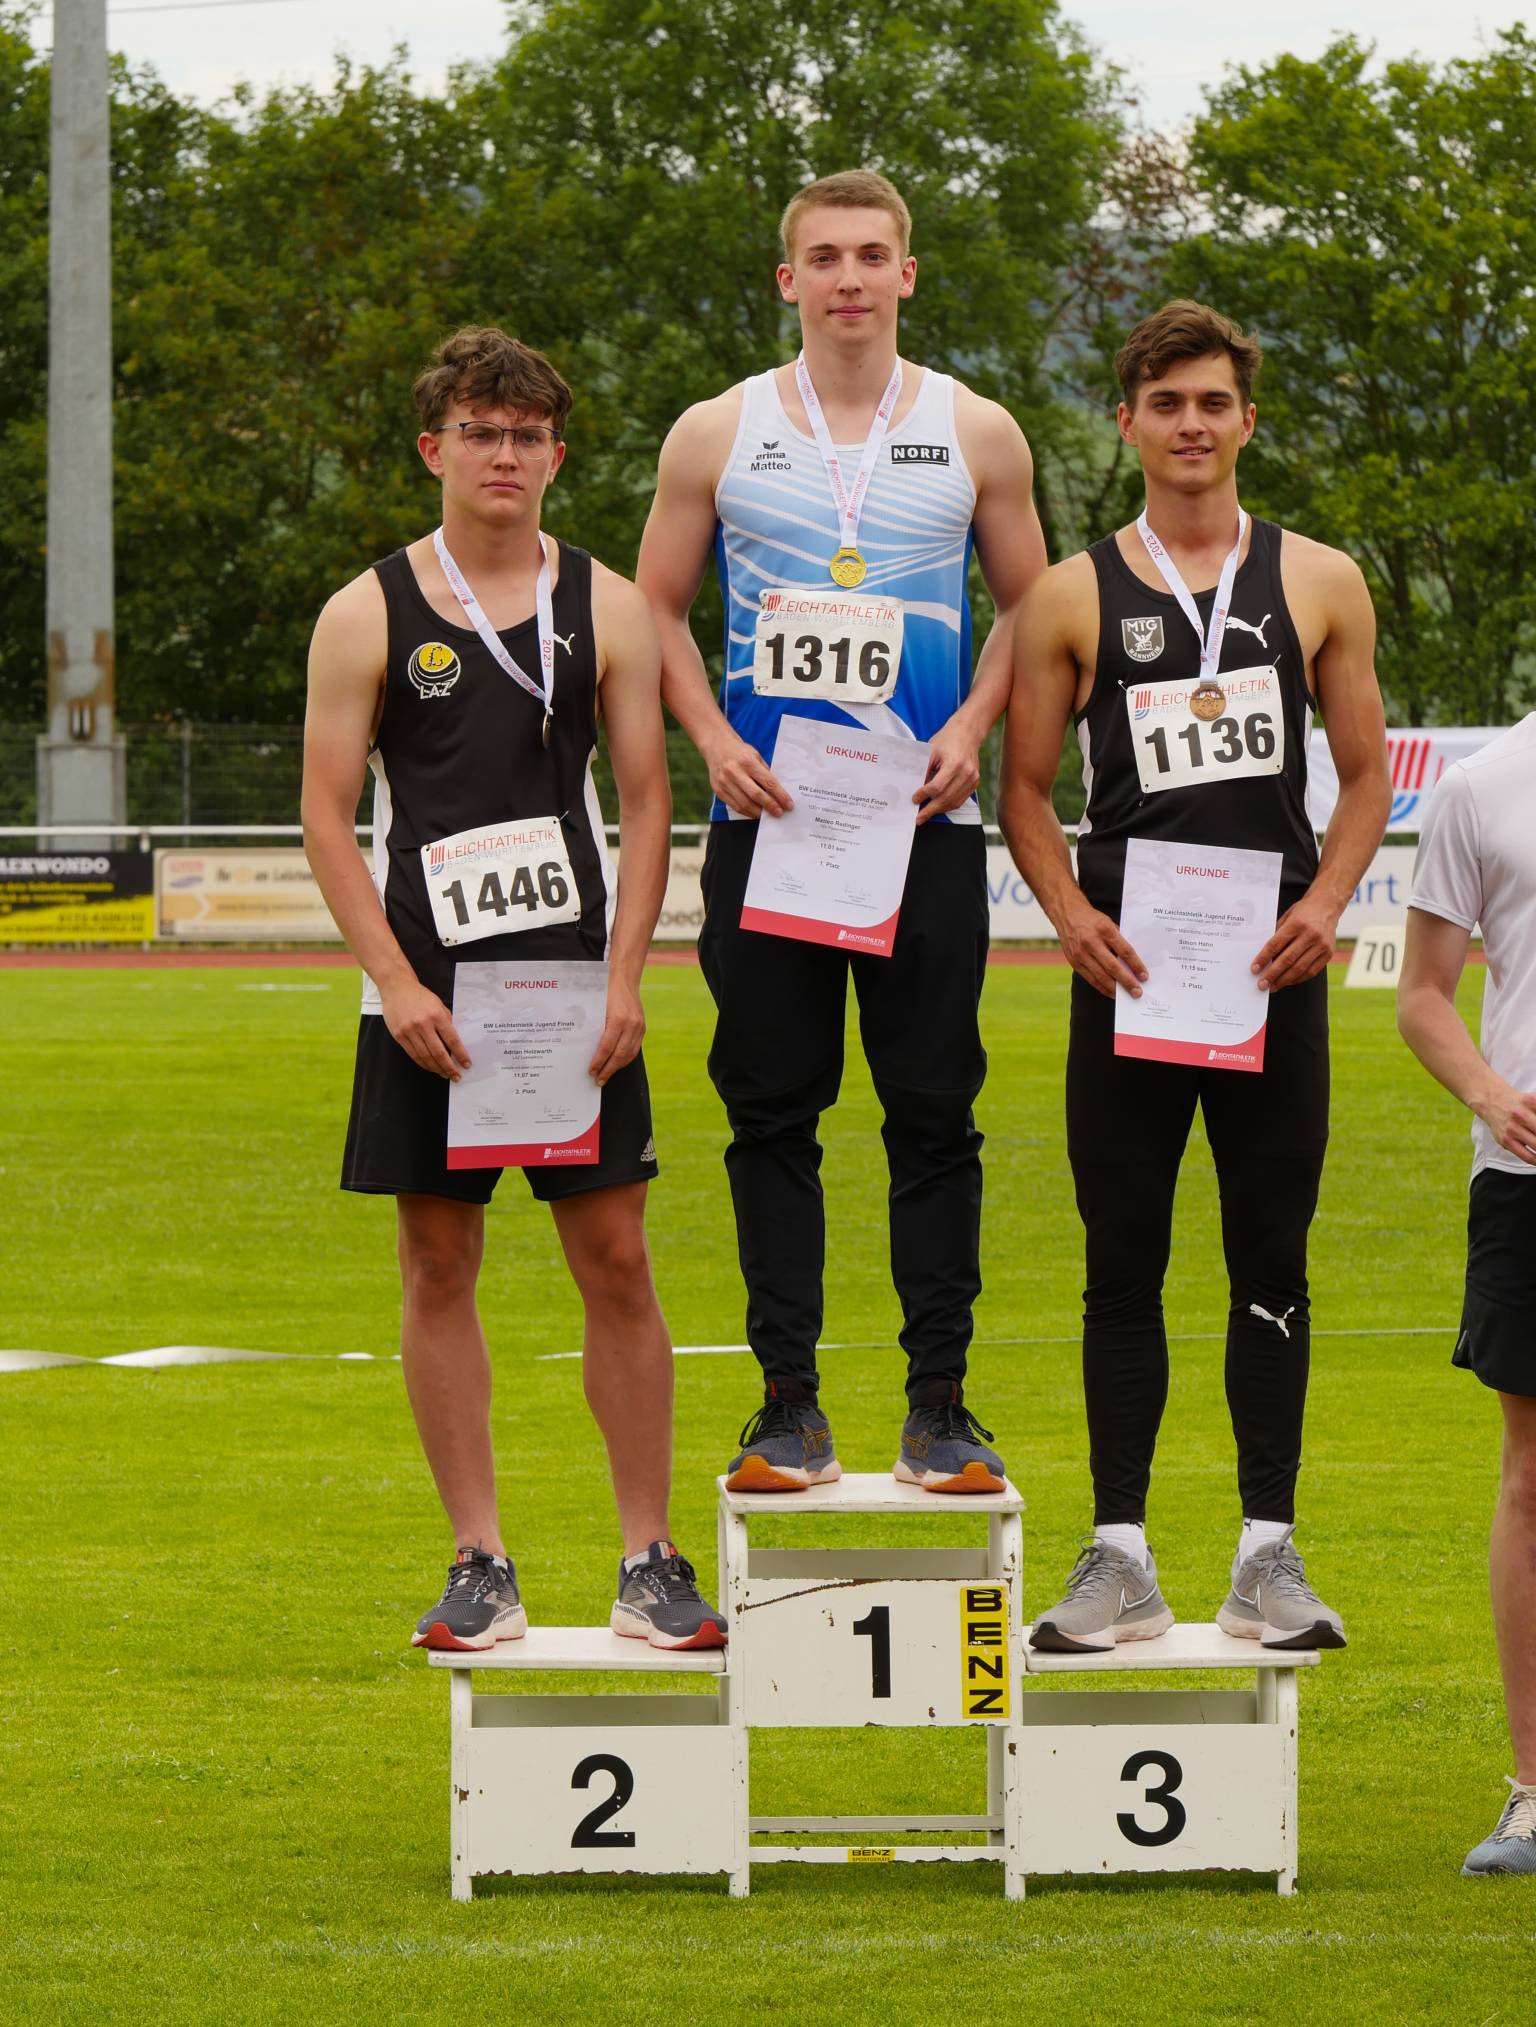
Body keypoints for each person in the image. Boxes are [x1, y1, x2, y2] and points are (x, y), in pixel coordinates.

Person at [302, 326, 725, 1653]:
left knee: (618, 1260)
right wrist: (393, 984)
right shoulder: (368, 610)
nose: (504, 454)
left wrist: (628, 975)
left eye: (526, 435)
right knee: (439, 1260)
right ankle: (479, 1560)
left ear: (556, 455)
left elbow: (648, 802)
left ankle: (650, 1559)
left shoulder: (607, 603)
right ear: (434, 448)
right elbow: (324, 814)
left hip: (571, 989)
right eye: (480, 432)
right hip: (427, 997)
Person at [636, 169, 1046, 1493]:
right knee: (771, 1119)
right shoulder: (717, 431)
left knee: (935, 1116)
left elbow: (1034, 610)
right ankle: (787, 1407)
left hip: (922, 823)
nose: (850, 278)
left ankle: (941, 1408)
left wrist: (973, 725)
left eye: (872, 254)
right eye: (825, 257)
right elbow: (652, 611)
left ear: (907, 274)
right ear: (789, 280)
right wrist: (712, 738)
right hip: (769, 822)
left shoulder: (978, 430)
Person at [999, 300, 1389, 1651]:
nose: (1191, 424)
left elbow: (1366, 779)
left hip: (1273, 973)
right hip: (1133, 972)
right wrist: (1070, 917)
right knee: (1124, 1262)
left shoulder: (1321, 582)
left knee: (1270, 1255)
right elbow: (1025, 790)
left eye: (1213, 401)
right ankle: (1118, 1557)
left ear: (1247, 420)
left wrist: (1326, 905)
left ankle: (1268, 1557)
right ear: (1127, 422)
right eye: (1165, 403)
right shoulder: (1071, 595)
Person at [1398, 718, 1536, 1875]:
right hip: (1526, 1181)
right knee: (1532, 1479)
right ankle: (1534, 1793)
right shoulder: (1480, 788)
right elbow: (1423, 995)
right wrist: (1493, 1093)